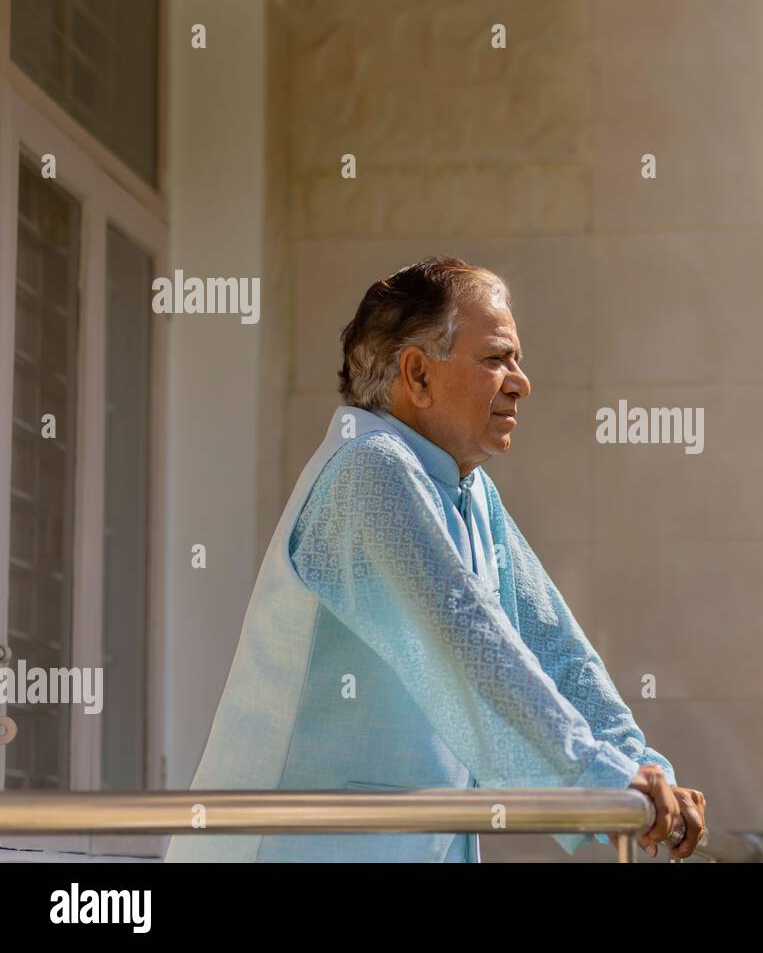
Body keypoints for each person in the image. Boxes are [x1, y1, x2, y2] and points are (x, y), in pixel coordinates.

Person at [165, 256, 706, 862]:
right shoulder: (369, 467)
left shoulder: (468, 489)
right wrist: (601, 783)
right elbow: (466, 641)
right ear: (418, 374)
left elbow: (553, 648)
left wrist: (637, 765)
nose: (521, 382)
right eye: (497, 358)